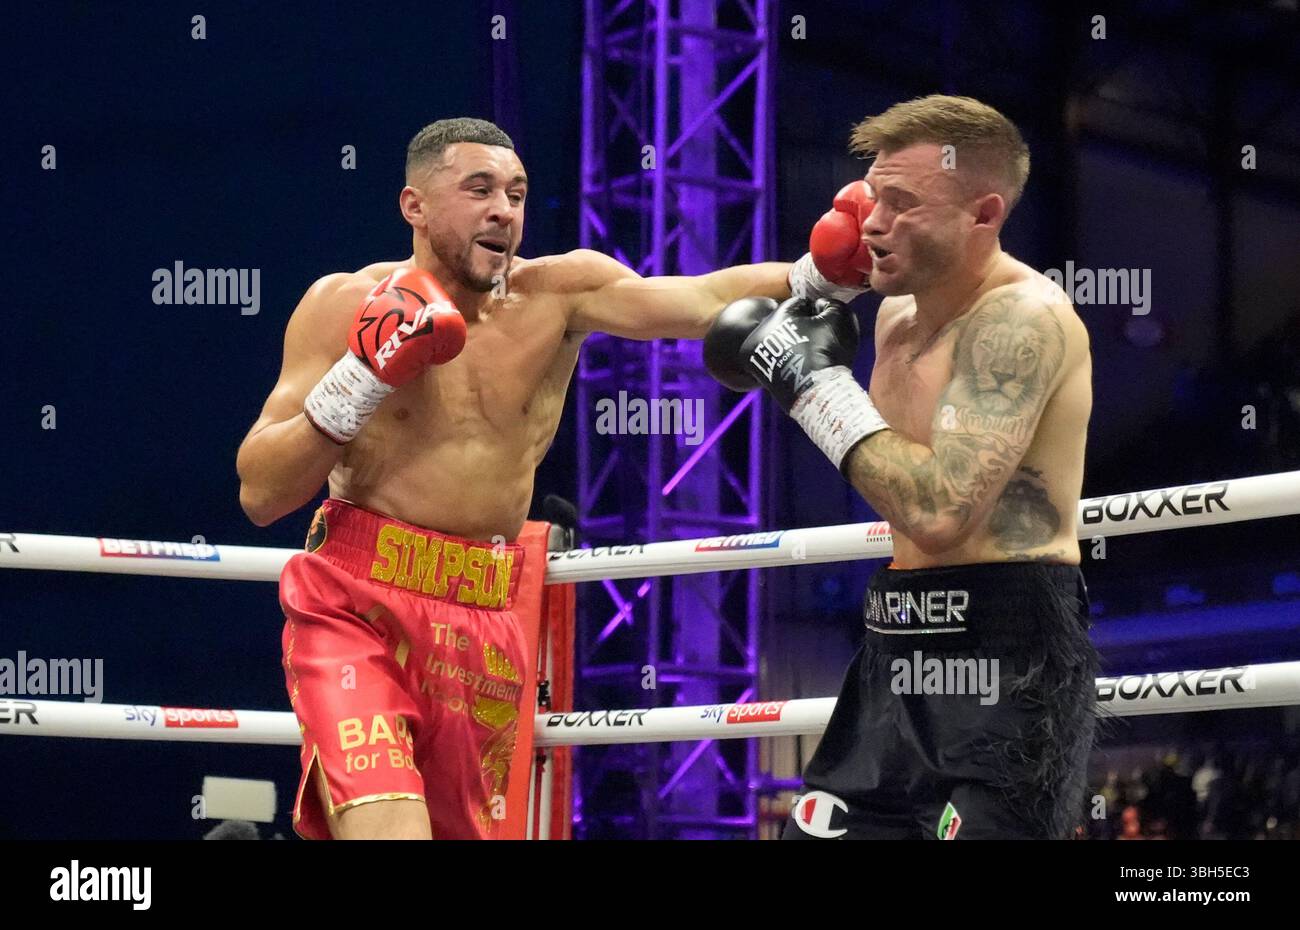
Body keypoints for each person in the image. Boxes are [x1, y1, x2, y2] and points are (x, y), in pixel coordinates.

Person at [236, 117, 847, 839]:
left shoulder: (560, 296)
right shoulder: (342, 305)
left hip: (486, 614)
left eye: (518, 193)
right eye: (480, 189)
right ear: (415, 206)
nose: (505, 208)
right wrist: (359, 378)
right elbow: (262, 491)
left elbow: (703, 298)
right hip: (355, 605)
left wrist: (828, 273)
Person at [706, 95, 1098, 839]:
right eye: (871, 197)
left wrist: (814, 388)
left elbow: (940, 513)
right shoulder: (893, 312)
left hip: (1007, 658)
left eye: (901, 203)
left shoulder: (1022, 322)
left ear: (983, 215)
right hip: (893, 642)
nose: (872, 222)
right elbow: (695, 303)